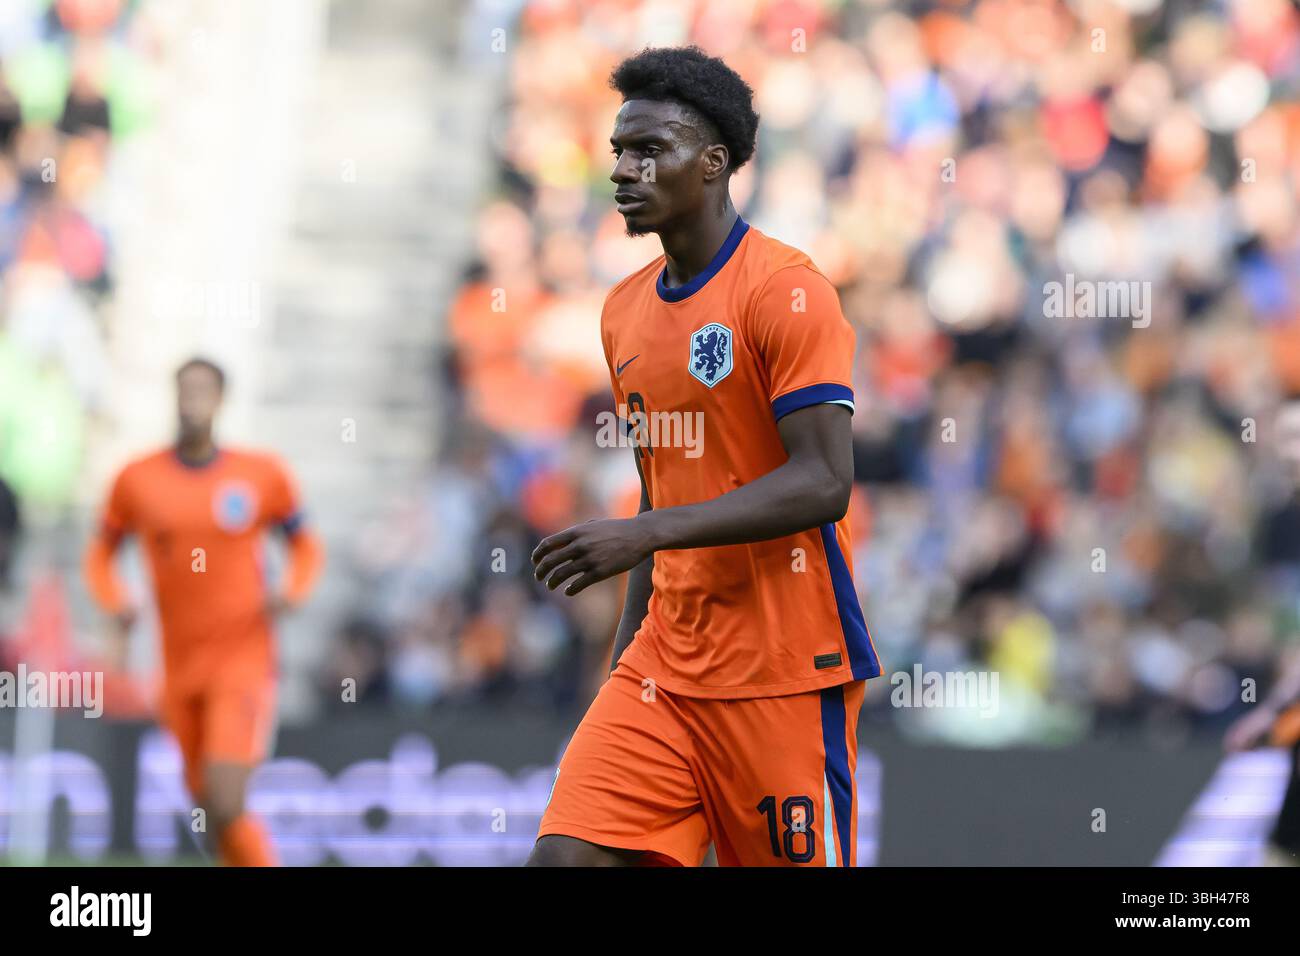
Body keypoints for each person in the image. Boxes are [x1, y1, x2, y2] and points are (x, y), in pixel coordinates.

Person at [527, 47, 881, 866]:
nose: (623, 169)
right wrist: (621, 667)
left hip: (785, 670)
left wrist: (646, 537)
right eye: (619, 149)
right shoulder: (622, 312)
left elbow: (825, 482)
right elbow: (661, 494)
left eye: (649, 150)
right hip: (665, 668)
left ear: (713, 163)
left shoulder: (787, 292)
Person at [84, 357, 324, 866]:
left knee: (225, 796)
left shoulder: (259, 475)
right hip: (175, 664)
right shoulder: (137, 478)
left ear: (220, 401)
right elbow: (100, 553)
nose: (192, 400)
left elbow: (305, 545)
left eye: (203, 390)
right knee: (208, 812)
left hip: (242, 658)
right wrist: (117, 600)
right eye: (184, 389)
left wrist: (292, 589)